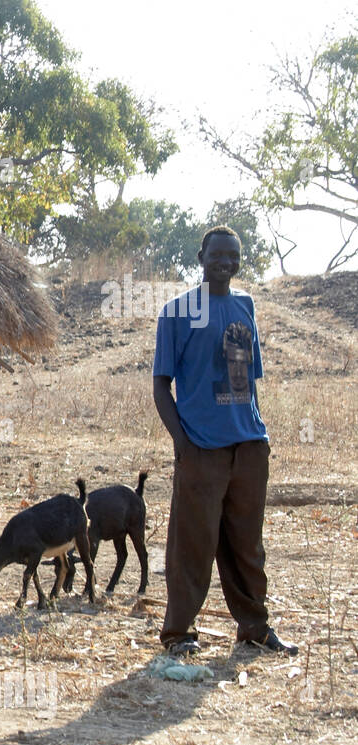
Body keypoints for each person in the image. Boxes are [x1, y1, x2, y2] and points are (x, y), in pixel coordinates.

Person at [152, 225, 297, 657]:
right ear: (201, 257)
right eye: (216, 254)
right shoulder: (177, 311)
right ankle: (178, 633)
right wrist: (183, 444)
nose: (225, 262)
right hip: (202, 448)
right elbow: (161, 386)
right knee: (192, 545)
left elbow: (248, 381)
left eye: (232, 256)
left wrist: (256, 432)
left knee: (248, 544)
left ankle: (254, 626)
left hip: (249, 446)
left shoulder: (245, 306)